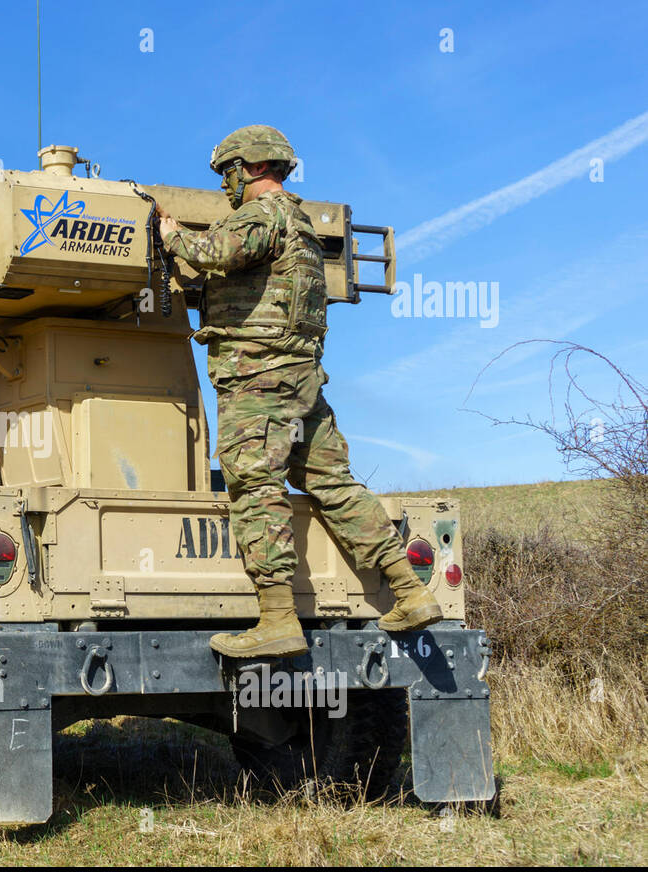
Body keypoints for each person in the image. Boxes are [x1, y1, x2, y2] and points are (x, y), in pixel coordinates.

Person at [156, 125, 442, 659]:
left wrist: (172, 234)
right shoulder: (304, 225)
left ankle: (279, 618)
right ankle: (409, 589)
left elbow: (214, 253)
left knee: (255, 486)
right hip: (302, 382)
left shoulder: (262, 216)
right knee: (334, 484)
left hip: (258, 382)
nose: (224, 184)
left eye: (227, 172)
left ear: (249, 168)